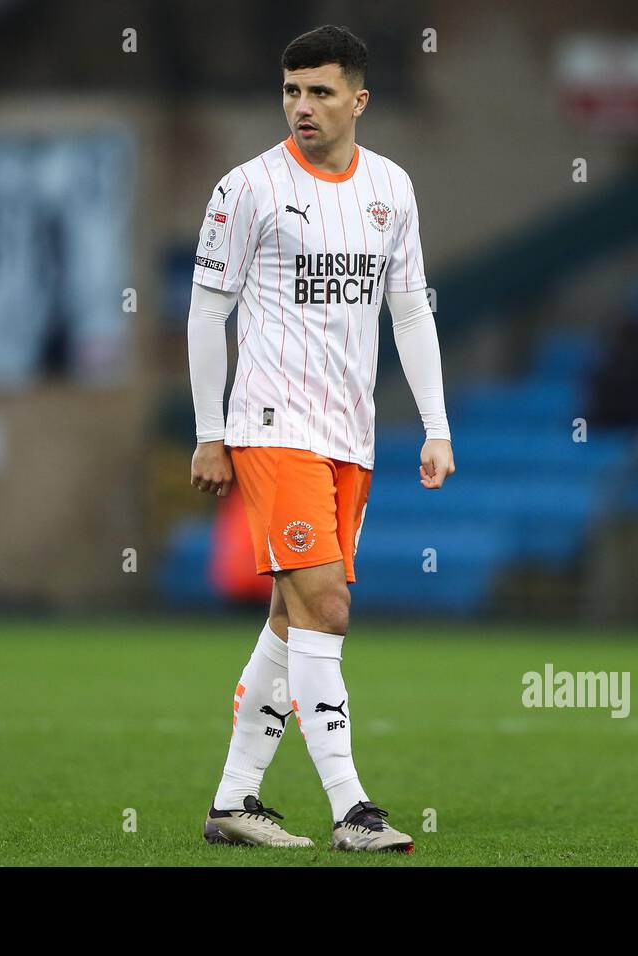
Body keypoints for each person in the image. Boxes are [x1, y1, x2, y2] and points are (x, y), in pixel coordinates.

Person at [186, 25, 454, 852]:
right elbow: (207, 313)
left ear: (359, 101)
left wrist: (436, 427)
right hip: (270, 423)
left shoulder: (392, 189)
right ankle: (352, 807)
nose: (302, 106)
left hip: (351, 433)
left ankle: (235, 801)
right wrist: (208, 432)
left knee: (291, 616)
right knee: (329, 605)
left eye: (321, 92)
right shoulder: (248, 189)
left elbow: (408, 310)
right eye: (292, 91)